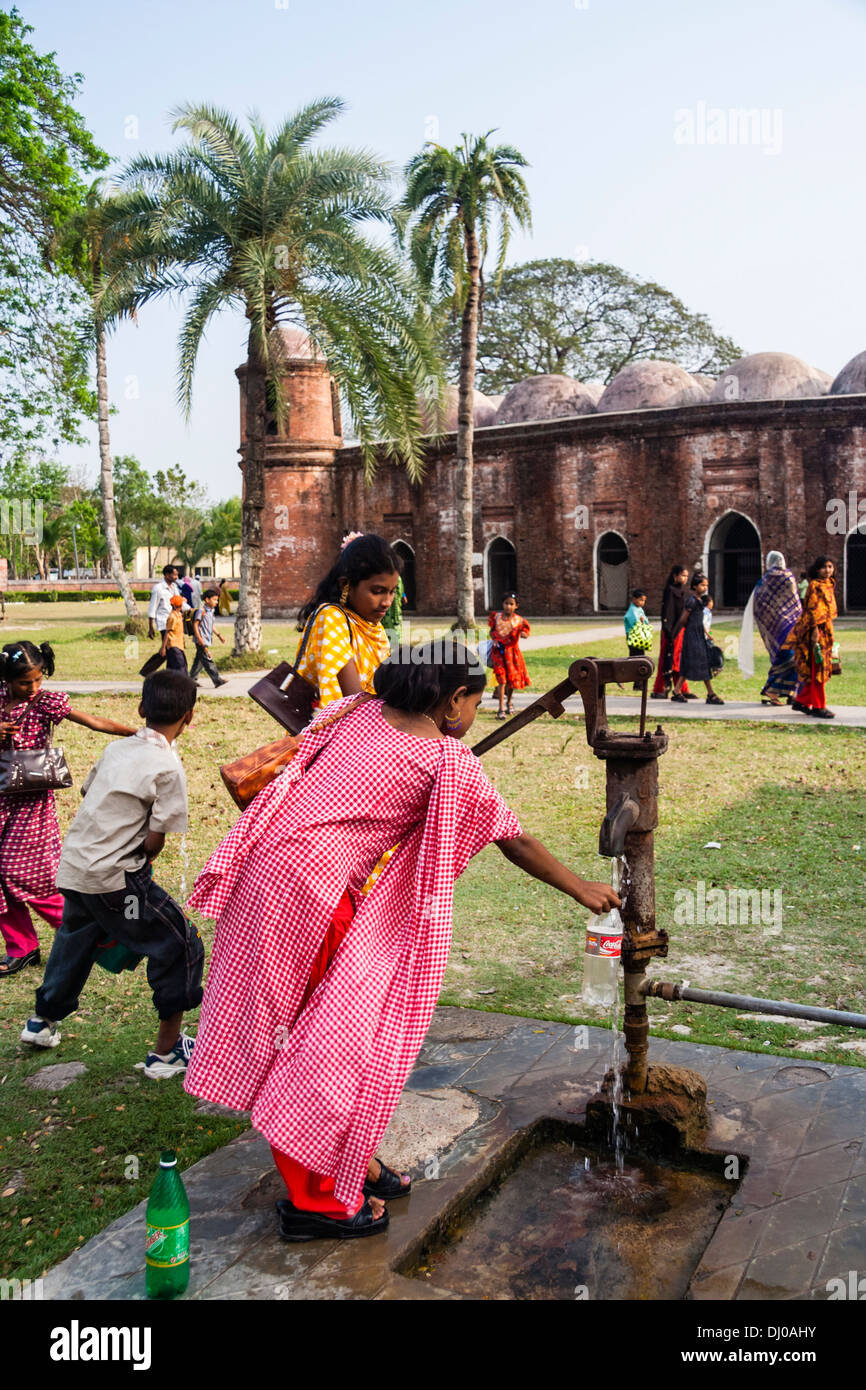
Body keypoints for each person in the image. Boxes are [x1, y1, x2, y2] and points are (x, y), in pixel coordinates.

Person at [183, 642, 620, 1241]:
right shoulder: (447, 762)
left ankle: (348, 1161)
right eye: (477, 700)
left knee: (300, 1029)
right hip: (313, 900)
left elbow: (358, 685)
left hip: (265, 877)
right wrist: (582, 888)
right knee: (325, 1044)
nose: (479, 714)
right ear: (452, 701)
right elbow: (512, 839)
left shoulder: (360, 711)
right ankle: (316, 1202)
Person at [20, 671, 204, 1077]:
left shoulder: (117, 750)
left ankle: (42, 1021)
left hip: (74, 870)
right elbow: (154, 843)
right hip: (118, 884)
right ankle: (167, 1051)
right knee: (179, 942)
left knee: (74, 941)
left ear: (140, 710)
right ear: (189, 718)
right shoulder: (168, 768)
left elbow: (90, 793)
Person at [0, 642, 137, 977]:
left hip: (30, 800)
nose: (32, 688)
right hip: (1, 798)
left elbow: (92, 721)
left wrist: (140, 732)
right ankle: (22, 948)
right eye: (24, 683)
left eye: (38, 680)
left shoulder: (45, 702)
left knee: (23, 873)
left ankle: (98, 932)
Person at [293, 534, 397, 708]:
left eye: (392, 591)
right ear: (345, 585)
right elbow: (355, 701)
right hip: (337, 729)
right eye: (378, 591)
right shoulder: (331, 617)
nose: (386, 601)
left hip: (368, 725)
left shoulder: (373, 626)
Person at [737, 551, 802, 706]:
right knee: (790, 656)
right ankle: (771, 691)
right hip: (789, 625)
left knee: (790, 657)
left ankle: (791, 692)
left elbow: (758, 603)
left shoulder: (764, 581)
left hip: (776, 627)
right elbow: (796, 603)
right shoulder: (788, 577)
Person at [789, 556, 837, 718]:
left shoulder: (829, 584)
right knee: (818, 670)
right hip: (814, 631)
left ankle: (802, 701)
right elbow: (812, 610)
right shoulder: (815, 585)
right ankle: (818, 706)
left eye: (830, 567)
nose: (828, 570)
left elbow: (828, 612)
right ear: (817, 570)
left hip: (826, 631)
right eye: (824, 567)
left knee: (817, 669)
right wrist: (815, 631)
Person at [671, 574, 724, 705]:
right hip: (692, 636)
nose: (705, 587)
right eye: (702, 585)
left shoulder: (700, 601)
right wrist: (680, 632)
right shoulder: (692, 601)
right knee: (703, 663)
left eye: (706, 585)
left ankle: (677, 691)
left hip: (698, 635)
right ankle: (710, 694)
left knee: (690, 663)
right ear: (695, 586)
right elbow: (683, 618)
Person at [651, 565, 694, 699]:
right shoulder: (670, 591)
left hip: (679, 631)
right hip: (670, 632)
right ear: (675, 576)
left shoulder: (681, 592)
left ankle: (681, 688)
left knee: (677, 660)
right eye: (682, 575)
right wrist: (669, 632)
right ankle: (659, 689)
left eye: (686, 576)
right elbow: (668, 612)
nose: (685, 578)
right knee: (666, 660)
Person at [488, 593, 531, 719]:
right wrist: (494, 639)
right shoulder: (496, 617)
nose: (508, 606)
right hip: (498, 653)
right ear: (503, 604)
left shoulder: (519, 621)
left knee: (511, 680)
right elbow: (492, 631)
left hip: (512, 654)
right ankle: (500, 708)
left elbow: (526, 634)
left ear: (516, 606)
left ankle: (509, 702)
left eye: (511, 604)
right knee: (501, 679)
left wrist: (522, 634)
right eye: (506, 603)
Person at [191, 589, 228, 688]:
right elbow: (195, 625)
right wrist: (199, 639)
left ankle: (191, 680)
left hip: (206, 639)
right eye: (214, 600)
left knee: (199, 660)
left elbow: (211, 625)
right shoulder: (201, 611)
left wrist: (219, 635)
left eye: (217, 600)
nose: (216, 602)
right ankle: (217, 680)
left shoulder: (210, 612)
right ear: (207, 600)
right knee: (207, 659)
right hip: (201, 640)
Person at [147, 565, 188, 642]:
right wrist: (151, 627)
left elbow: (179, 602)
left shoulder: (174, 587)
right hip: (164, 622)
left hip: (175, 620)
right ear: (167, 575)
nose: (176, 577)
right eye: (174, 575)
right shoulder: (158, 588)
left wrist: (191, 610)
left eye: (177, 575)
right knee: (168, 646)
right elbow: (152, 608)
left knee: (172, 647)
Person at [623, 589, 652, 689]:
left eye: (644, 601)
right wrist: (642, 621)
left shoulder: (639, 609)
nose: (642, 603)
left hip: (639, 638)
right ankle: (635, 682)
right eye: (640, 600)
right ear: (634, 599)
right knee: (636, 659)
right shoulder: (632, 611)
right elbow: (635, 623)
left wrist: (644, 621)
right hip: (634, 638)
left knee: (640, 658)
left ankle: (638, 683)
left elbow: (645, 620)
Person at [161, 594, 188, 673]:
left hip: (179, 645)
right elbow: (167, 632)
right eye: (180, 605)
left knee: (173, 667)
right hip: (173, 645)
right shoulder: (172, 617)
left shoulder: (179, 615)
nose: (181, 606)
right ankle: (183, 684)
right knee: (181, 667)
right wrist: (163, 648)